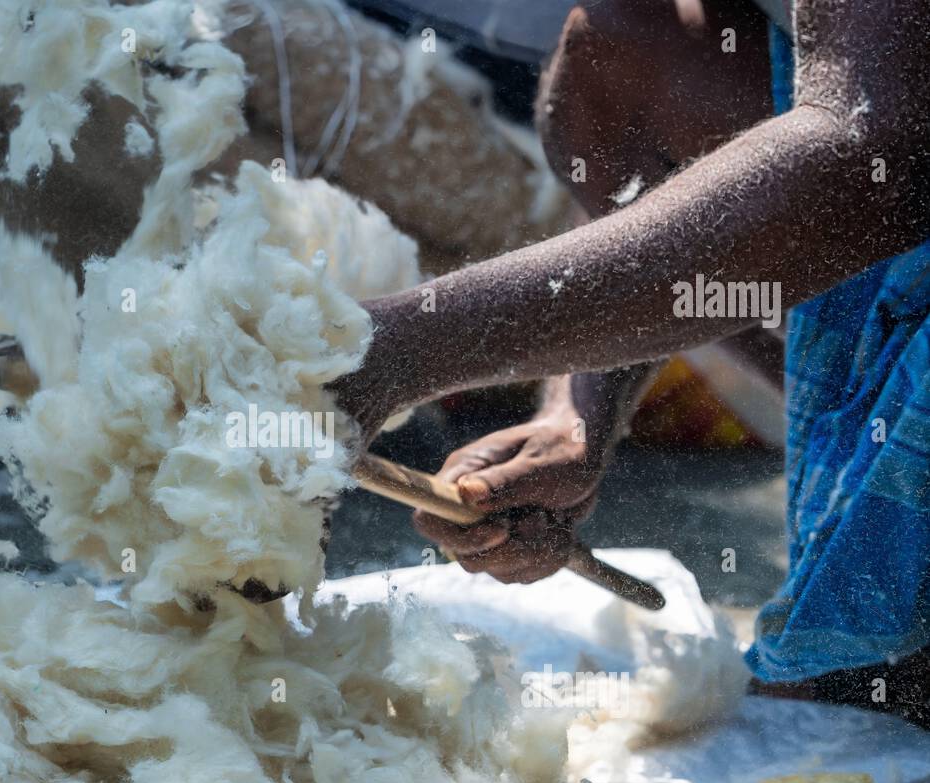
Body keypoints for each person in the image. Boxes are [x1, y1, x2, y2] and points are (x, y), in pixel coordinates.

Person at [334, 0, 930, 726]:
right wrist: (577, 413)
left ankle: (893, 601)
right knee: (616, 47)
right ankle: (865, 507)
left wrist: (410, 349)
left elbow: (873, 153)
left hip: (890, 159)